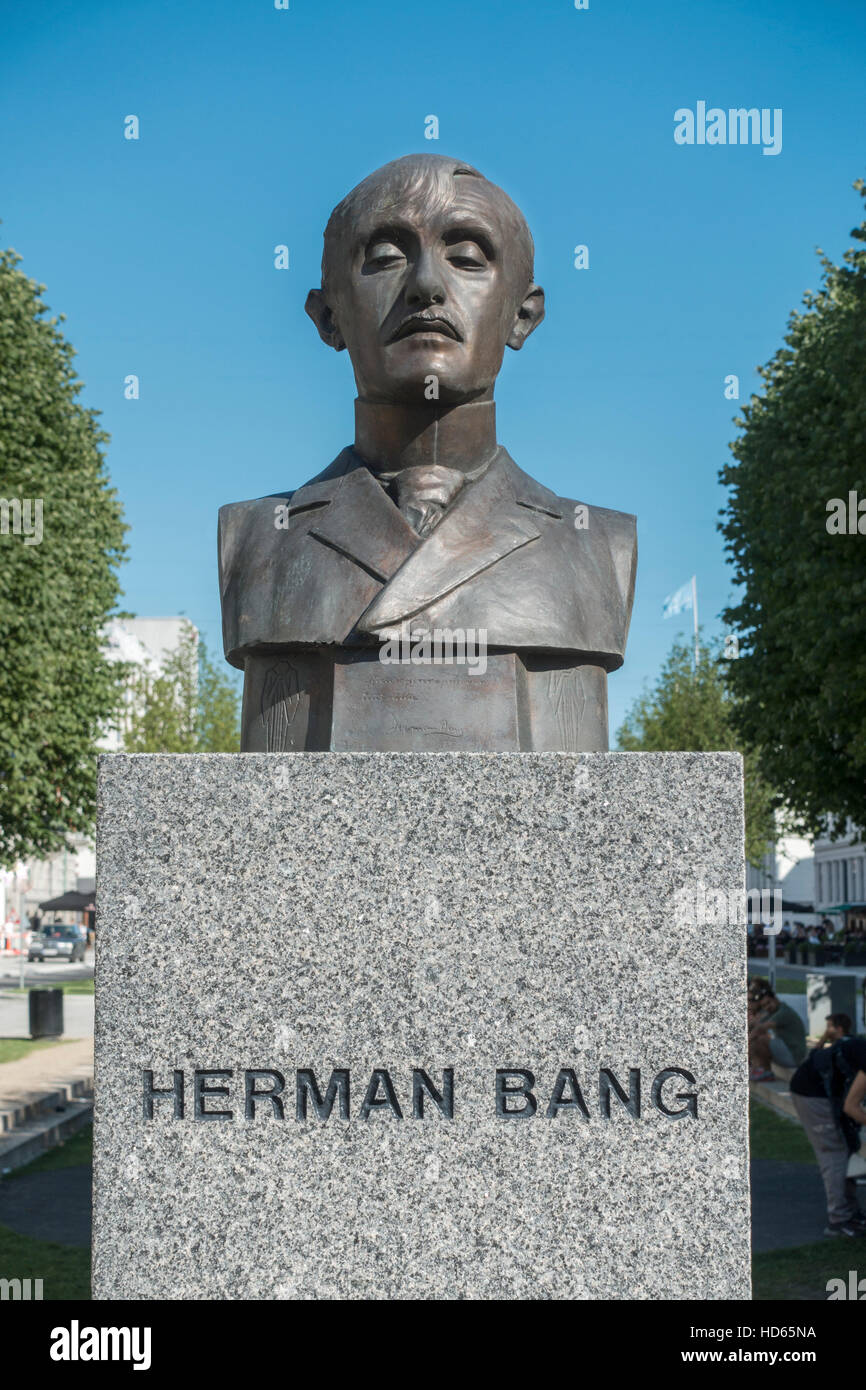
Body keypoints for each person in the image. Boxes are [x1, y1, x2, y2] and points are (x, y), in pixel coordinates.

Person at [791, 1014, 866, 1237]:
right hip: (811, 1095)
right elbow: (851, 1107)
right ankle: (839, 1219)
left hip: (827, 1093)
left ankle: (850, 1211)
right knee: (834, 1152)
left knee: (848, 1147)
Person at [747, 979, 807, 1080]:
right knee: (757, 1038)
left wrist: (746, 1043)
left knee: (761, 1039)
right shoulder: (774, 1011)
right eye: (764, 1006)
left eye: (768, 1003)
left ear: (775, 999)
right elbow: (755, 1023)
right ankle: (759, 1069)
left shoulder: (784, 1012)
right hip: (786, 1052)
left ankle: (765, 1071)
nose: (767, 1007)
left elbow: (761, 1028)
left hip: (794, 1057)